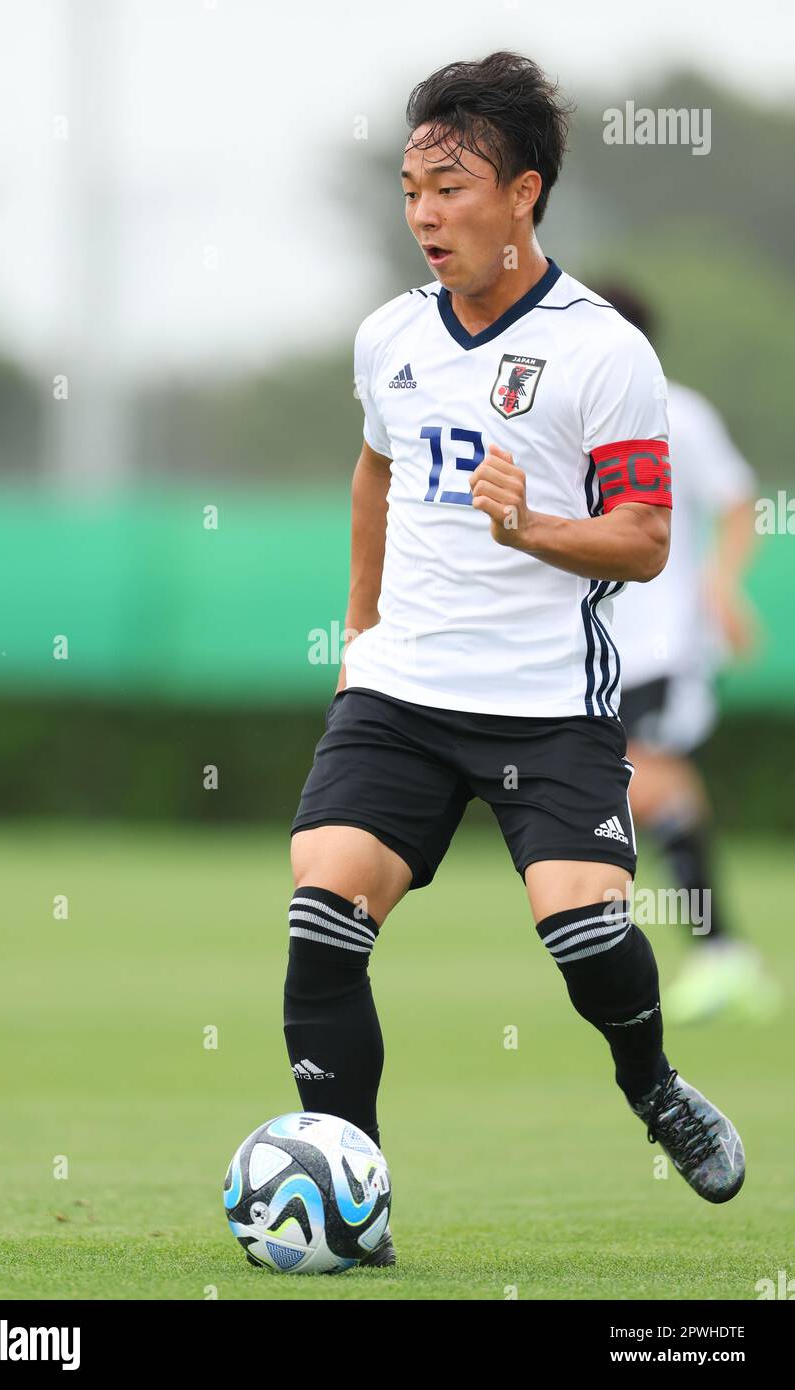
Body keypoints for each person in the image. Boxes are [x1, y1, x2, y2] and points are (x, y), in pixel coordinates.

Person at [278, 52, 744, 1270]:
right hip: (398, 692)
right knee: (322, 910)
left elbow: (642, 542)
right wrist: (357, 631)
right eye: (409, 188)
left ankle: (652, 1088)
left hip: (543, 703)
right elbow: (372, 473)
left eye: (452, 186)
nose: (426, 213)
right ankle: (350, 1204)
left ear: (523, 192)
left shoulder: (603, 353)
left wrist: (528, 523)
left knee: (583, 937)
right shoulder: (389, 336)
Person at [599, 284, 779, 1026]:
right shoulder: (575, 413)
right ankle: (722, 949)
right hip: (601, 642)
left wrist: (719, 584)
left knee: (647, 781)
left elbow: (740, 501)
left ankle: (712, 949)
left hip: (667, 642)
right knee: (654, 787)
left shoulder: (684, 413)